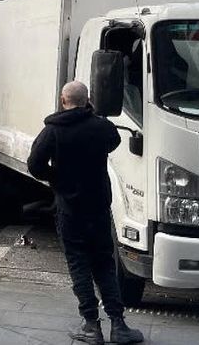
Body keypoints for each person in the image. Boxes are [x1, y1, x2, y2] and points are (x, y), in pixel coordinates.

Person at [27, 81, 144, 345]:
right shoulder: (101, 127)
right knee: (103, 263)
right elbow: (113, 141)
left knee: (78, 264)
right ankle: (118, 324)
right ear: (87, 100)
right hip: (99, 208)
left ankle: (91, 325)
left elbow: (34, 164)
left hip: (69, 210)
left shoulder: (53, 131)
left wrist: (56, 178)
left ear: (62, 100)